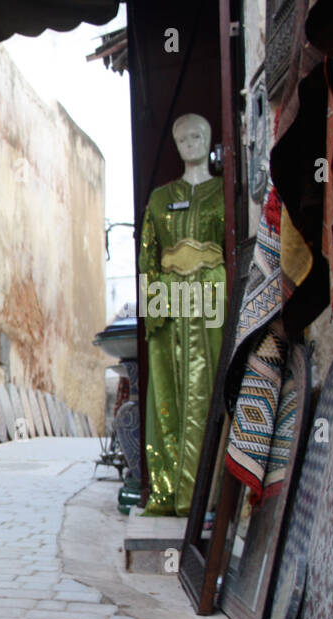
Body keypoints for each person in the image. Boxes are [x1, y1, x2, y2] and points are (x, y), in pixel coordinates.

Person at [138, 113, 227, 516]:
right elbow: (148, 257)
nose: (190, 143)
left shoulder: (226, 192)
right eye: (182, 138)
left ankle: (211, 494)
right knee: (168, 394)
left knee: (213, 390)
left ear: (208, 140)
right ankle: (171, 490)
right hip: (170, 305)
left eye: (197, 136)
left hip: (213, 302)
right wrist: (151, 313)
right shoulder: (159, 198)